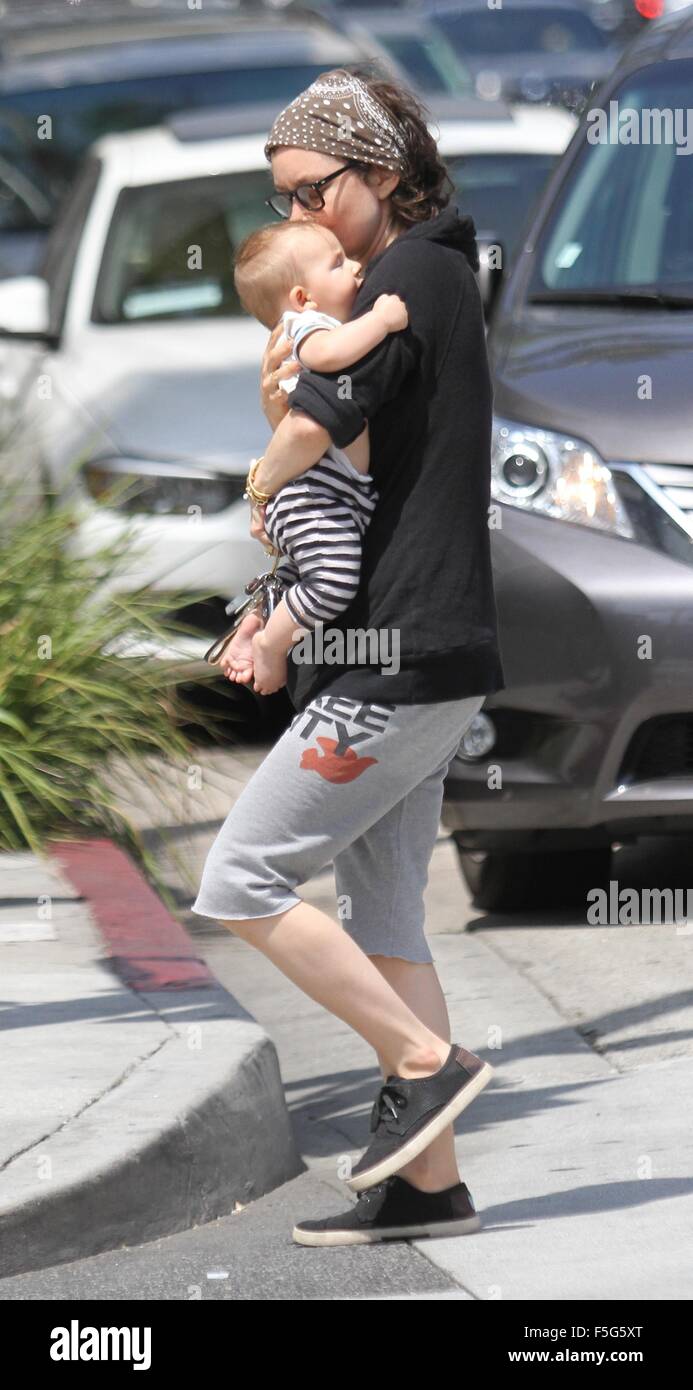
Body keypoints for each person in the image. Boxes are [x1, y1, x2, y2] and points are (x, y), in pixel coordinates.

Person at [191, 66, 506, 1247]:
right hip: (401, 649)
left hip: (398, 658)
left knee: (241, 880)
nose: (305, 217)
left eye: (316, 191)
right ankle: (433, 1185)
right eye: (286, 197)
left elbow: (326, 416)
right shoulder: (411, 271)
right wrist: (276, 606)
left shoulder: (409, 273)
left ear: (376, 171)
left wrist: (260, 474)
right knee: (388, 923)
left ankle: (426, 1062)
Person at [227, 218, 409, 695]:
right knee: (333, 579)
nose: (353, 268)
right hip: (314, 493)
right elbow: (329, 357)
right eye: (336, 263)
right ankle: (271, 645)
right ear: (303, 297)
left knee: (299, 571)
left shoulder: (315, 321)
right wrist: (383, 320)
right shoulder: (308, 328)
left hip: (327, 492)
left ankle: (258, 621)